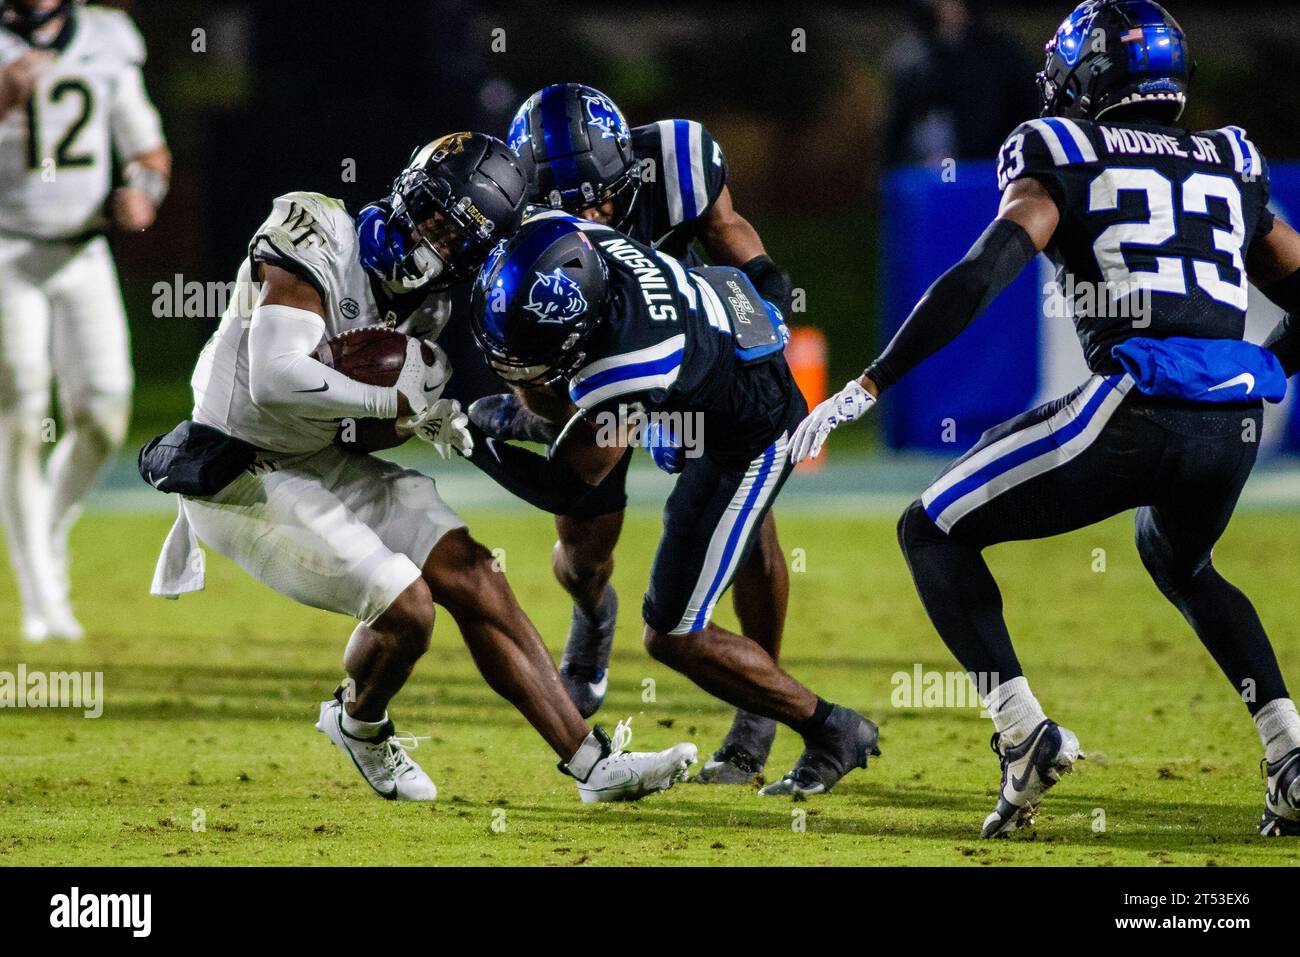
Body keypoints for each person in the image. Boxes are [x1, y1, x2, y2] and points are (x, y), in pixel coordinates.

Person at [792, 0, 1300, 837]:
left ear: (1092, 76)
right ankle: (1288, 750)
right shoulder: (1229, 159)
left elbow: (983, 270)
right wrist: (1268, 361)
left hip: (1137, 406)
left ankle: (1024, 734)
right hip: (1234, 420)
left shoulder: (1061, 148)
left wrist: (876, 379)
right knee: (1180, 560)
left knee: (931, 527)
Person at [144, 133, 696, 804]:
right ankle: (362, 723)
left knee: (475, 573)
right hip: (240, 468)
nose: (436, 241)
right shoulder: (315, 228)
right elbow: (273, 378)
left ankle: (593, 763)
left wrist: (415, 420)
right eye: (435, 215)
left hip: (320, 455)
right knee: (409, 609)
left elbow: (359, 430)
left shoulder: (430, 306)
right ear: (411, 191)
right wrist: (391, 397)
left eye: (458, 238)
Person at [468, 211, 880, 798]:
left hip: (748, 432)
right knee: (678, 601)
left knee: (675, 633)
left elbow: (566, 486)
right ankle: (781, 713)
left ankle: (835, 729)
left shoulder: (630, 360)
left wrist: (468, 440)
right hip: (705, 361)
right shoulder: (569, 239)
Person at [470, 82, 794, 785]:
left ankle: (758, 711)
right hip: (594, 373)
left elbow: (731, 234)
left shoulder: (674, 156)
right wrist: (546, 414)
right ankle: (592, 614)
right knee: (582, 549)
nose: (589, 215)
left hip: (702, 359)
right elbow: (534, 363)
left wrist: (768, 307)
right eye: (568, 205)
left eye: (601, 197)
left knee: (751, 532)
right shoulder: (509, 214)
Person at [0, 0, 169, 640]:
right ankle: (42, 593)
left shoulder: (106, 35)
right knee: (17, 416)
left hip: (83, 250)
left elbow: (148, 154)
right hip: (7, 249)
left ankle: (44, 530)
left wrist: (140, 197)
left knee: (103, 412)